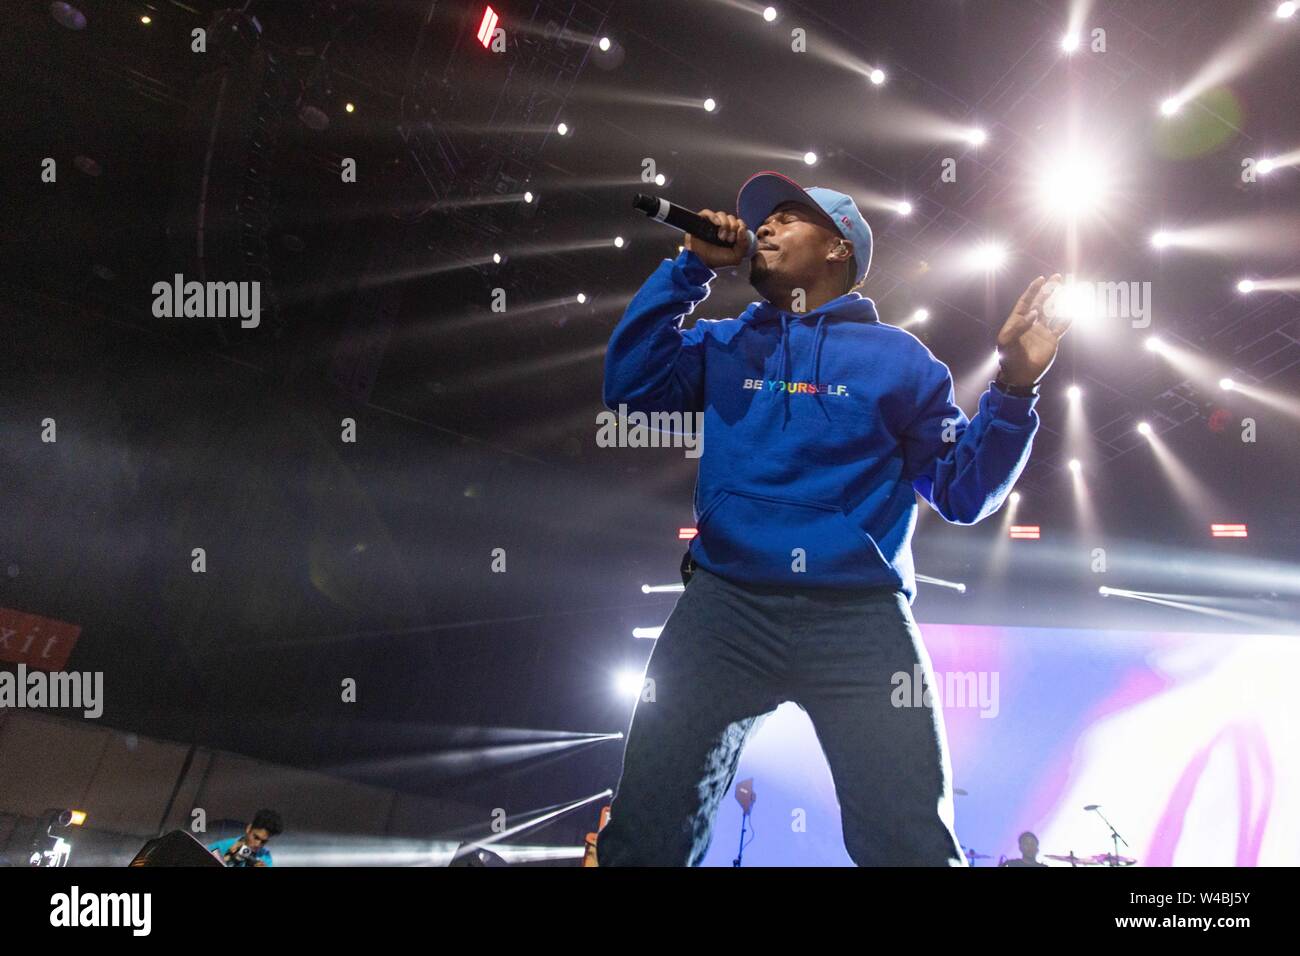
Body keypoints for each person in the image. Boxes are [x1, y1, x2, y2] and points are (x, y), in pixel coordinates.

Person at [597, 171, 1072, 866]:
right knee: (646, 831)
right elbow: (631, 392)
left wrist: (1015, 385)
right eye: (763, 219)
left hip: (860, 616)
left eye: (788, 218)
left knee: (909, 842)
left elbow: (964, 492)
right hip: (726, 604)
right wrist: (690, 269)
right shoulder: (726, 344)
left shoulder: (902, 361)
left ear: (838, 249)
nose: (763, 228)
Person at [208, 809, 282, 867]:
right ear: (248, 829)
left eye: (263, 842)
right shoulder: (221, 847)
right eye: (256, 837)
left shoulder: (265, 858)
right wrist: (227, 859)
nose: (257, 844)